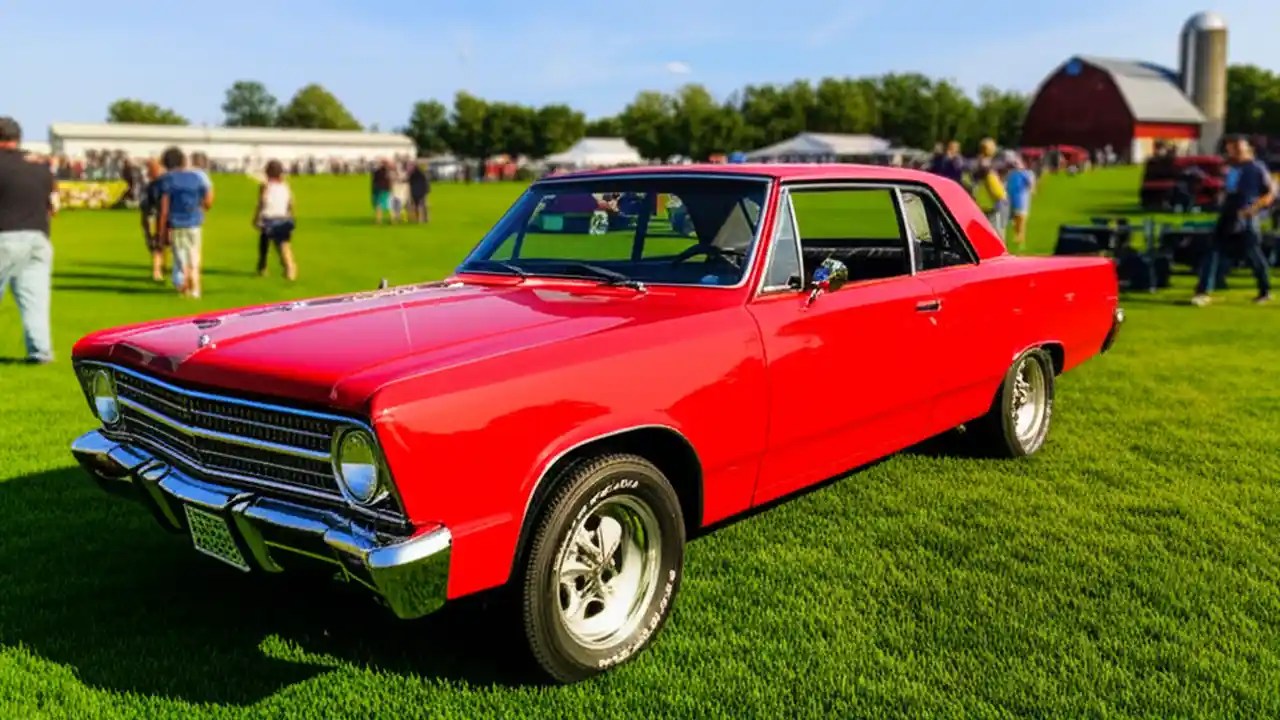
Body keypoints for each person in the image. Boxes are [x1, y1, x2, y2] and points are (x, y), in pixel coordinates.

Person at [0, 117, 57, 364]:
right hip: (38, 237)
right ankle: (40, 351)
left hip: (5, 236)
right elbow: (52, 205)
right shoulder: (40, 166)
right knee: (35, 300)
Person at [1191, 136, 1274, 306]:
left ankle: (1264, 290)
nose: (1233, 153)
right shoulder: (1231, 169)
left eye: (1237, 150)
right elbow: (1229, 189)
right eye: (1231, 150)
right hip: (1228, 212)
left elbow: (1269, 193)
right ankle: (1203, 290)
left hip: (1246, 215)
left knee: (1253, 253)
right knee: (1213, 250)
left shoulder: (1256, 168)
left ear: (1247, 150)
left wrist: (1253, 209)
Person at [157, 147, 211, 299]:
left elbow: (164, 207)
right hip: (194, 222)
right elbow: (207, 199)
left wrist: (162, 230)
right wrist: (199, 209)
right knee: (194, 255)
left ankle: (185, 286)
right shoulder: (196, 177)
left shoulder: (168, 179)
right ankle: (196, 288)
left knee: (181, 257)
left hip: (177, 223)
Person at [252, 160, 297, 280]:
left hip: (271, 218)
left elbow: (262, 202)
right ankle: (268, 266)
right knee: (281, 244)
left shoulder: (265, 186)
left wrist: (256, 217)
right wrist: (291, 215)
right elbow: (291, 202)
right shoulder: (285, 185)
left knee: (280, 246)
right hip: (284, 217)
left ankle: (289, 269)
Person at [138, 159, 170, 282]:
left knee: (162, 243)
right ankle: (157, 271)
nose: (148, 173)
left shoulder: (161, 183)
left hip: (164, 216)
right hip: (156, 216)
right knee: (158, 244)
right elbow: (147, 205)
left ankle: (161, 269)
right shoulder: (153, 185)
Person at [973, 138, 1009, 238]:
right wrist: (1002, 194)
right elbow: (995, 189)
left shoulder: (979, 163)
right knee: (997, 236)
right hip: (992, 204)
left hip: (982, 203)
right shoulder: (986, 165)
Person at [1004, 156, 1036, 250]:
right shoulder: (1011, 174)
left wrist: (1031, 187)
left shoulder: (1027, 173)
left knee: (1021, 219)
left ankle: (1020, 239)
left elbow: (1031, 185)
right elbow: (1007, 185)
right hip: (1012, 200)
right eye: (1014, 164)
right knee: (1015, 220)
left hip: (1022, 200)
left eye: (1017, 163)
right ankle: (1018, 236)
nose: (1015, 166)